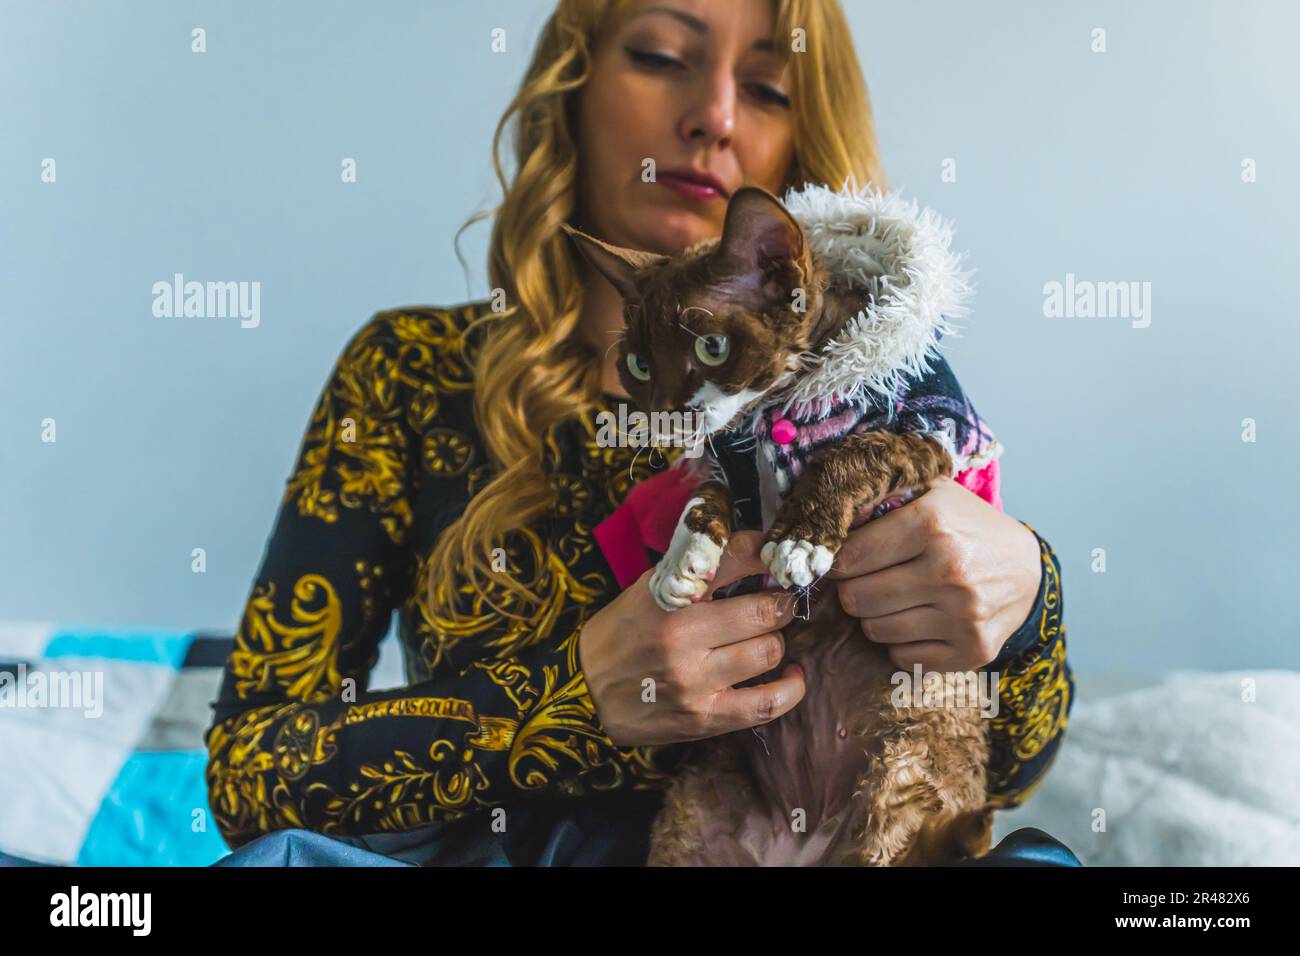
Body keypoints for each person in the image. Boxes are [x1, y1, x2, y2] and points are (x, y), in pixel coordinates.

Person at [204, 0, 1078, 867]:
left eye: (769, 87)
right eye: (662, 56)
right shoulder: (410, 369)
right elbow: (249, 777)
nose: (715, 116)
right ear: (571, 88)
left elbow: (1005, 777)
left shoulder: (873, 390)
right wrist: (571, 699)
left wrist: (1029, 602)